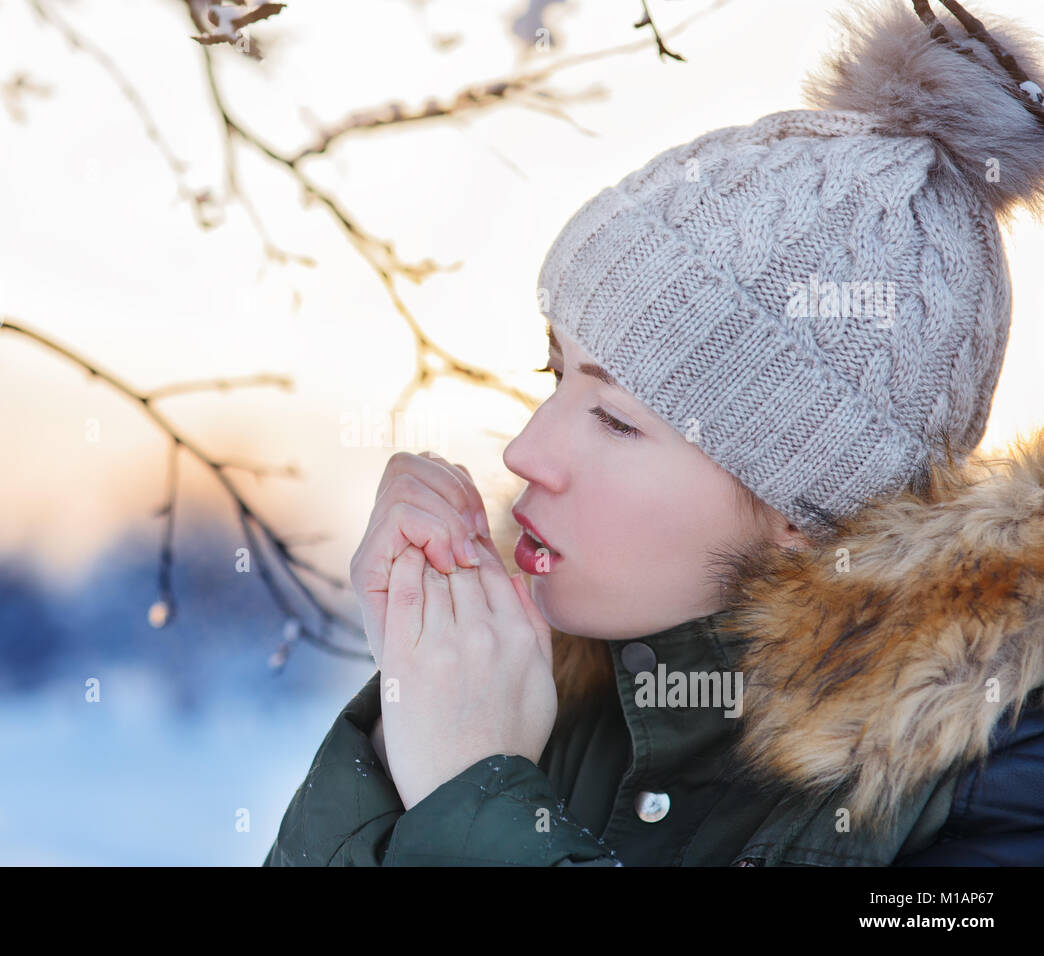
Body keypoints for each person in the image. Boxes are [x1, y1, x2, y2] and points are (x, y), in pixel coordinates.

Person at [263, 0, 1044, 866]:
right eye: (554, 376)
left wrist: (471, 789)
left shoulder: (997, 785)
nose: (524, 454)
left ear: (810, 511)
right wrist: (409, 720)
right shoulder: (557, 698)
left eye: (614, 419)